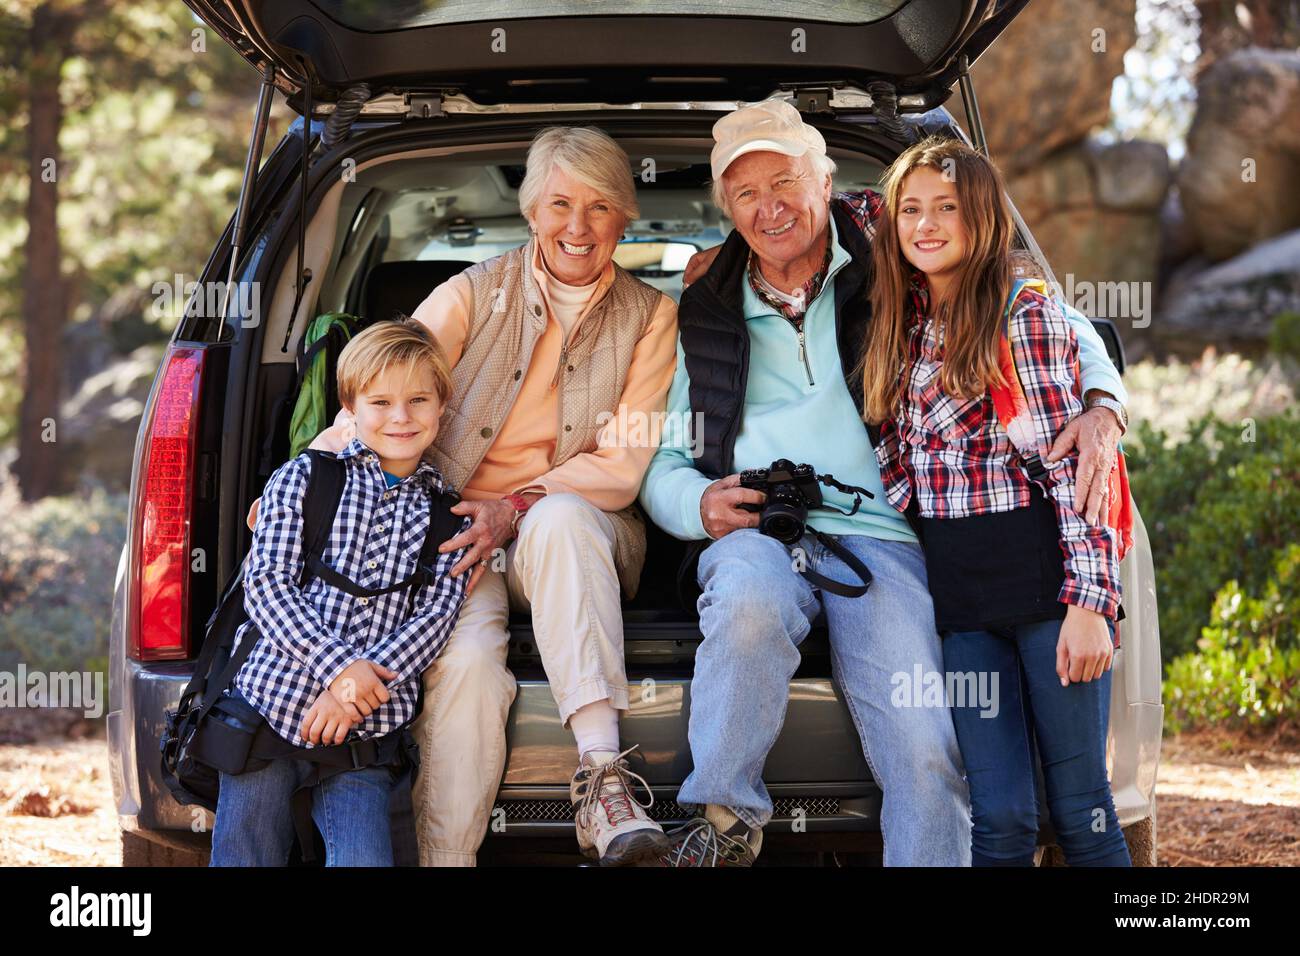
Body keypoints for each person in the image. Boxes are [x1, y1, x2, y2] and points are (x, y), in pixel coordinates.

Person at [640, 99, 1129, 866]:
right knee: (749, 605)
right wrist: (698, 503)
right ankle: (725, 818)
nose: (769, 209)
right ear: (724, 210)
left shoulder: (891, 257)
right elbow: (662, 460)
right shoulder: (699, 309)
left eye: (785, 182)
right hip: (757, 534)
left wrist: (1103, 403)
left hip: (886, 540)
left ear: (826, 180)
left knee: (931, 748)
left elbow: (1033, 311)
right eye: (745, 194)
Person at [308, 127, 679, 866]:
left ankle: (604, 781)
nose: (578, 226)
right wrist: (302, 483)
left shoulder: (650, 314)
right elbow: (384, 394)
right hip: (455, 535)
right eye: (561, 204)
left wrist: (518, 502)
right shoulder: (473, 291)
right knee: (471, 664)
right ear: (533, 211)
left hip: (581, 528)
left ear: (624, 217)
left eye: (600, 207)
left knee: (563, 521)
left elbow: (625, 459)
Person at [863, 136, 1131, 866]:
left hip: (1049, 592)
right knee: (1001, 818)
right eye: (911, 209)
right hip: (963, 607)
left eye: (946, 207)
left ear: (983, 218)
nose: (925, 223)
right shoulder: (904, 321)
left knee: (1081, 812)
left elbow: (1076, 476)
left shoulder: (1022, 319)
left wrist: (1090, 604)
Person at [211, 320, 468, 866]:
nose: (401, 417)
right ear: (350, 406)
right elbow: (267, 585)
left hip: (363, 734)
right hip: (268, 706)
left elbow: (435, 618)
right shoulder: (304, 478)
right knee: (244, 855)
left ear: (442, 405)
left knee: (364, 859)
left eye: (419, 399)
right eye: (381, 401)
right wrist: (337, 670)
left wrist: (351, 694)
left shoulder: (448, 512)